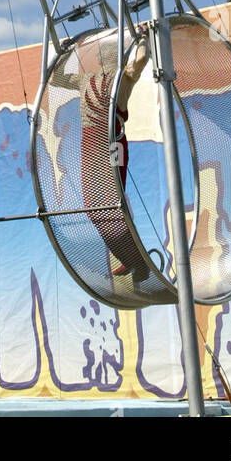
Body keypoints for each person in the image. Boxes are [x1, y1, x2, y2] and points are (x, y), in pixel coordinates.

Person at [76, 32, 151, 282]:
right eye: (100, 53)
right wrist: (73, 50)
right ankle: (130, 257)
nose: (100, 56)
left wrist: (142, 37)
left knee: (111, 200)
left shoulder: (123, 75)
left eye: (104, 52)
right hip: (90, 145)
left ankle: (136, 261)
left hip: (111, 142)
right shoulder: (86, 79)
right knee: (93, 206)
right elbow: (59, 78)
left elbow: (141, 58)